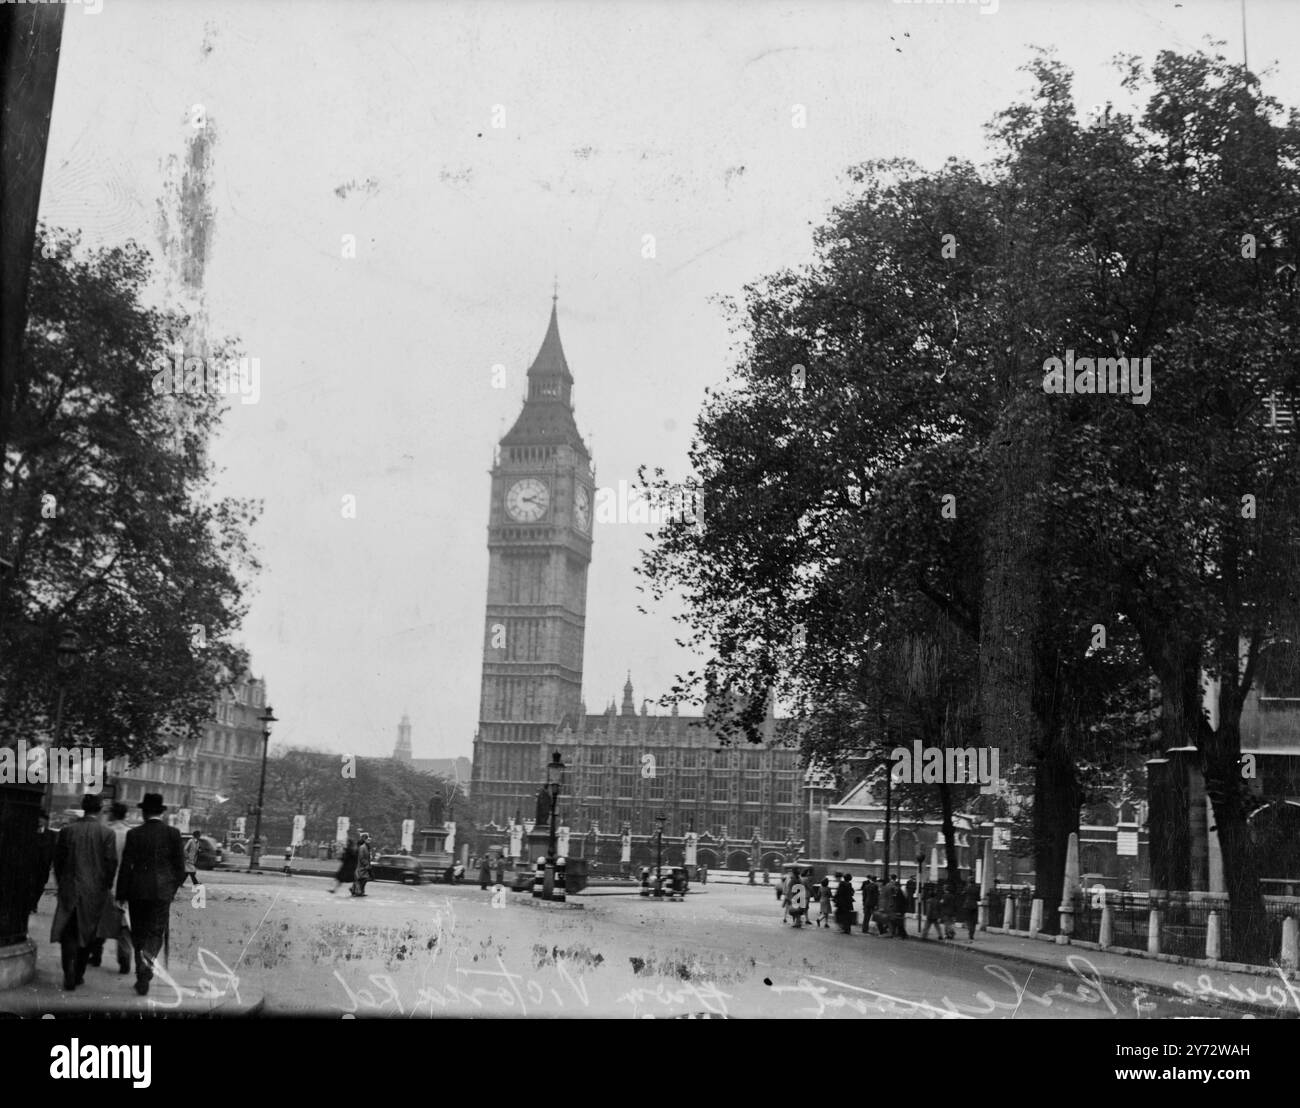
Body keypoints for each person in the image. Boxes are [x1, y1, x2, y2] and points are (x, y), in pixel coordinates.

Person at [115, 793, 185, 997]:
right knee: (155, 933)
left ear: (144, 812)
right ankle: (146, 969)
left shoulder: (135, 834)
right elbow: (180, 868)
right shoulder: (173, 833)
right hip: (162, 893)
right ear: (161, 812)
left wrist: (121, 893)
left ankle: (142, 971)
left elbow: (126, 867)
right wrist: (171, 889)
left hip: (138, 892)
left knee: (139, 933)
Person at [50, 794, 118, 991]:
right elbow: (110, 864)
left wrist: (62, 883)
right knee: (88, 933)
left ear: (83, 808)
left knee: (69, 933)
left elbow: (58, 862)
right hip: (94, 892)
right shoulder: (107, 834)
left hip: (70, 888)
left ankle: (68, 971)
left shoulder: (67, 831)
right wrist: (106, 885)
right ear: (99, 810)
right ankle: (78, 972)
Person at [88, 802, 134, 975]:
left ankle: (96, 955)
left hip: (104, 882)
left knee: (98, 920)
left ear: (113, 814)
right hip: (124, 884)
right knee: (123, 924)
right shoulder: (131, 833)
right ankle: (124, 960)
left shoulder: (105, 832)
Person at [30, 810, 56, 915]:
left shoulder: (50, 834)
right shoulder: (31, 832)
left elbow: (52, 849)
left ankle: (34, 903)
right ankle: (30, 904)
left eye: (43, 819)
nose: (41, 821)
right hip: (31, 864)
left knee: (40, 886)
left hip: (43, 866)